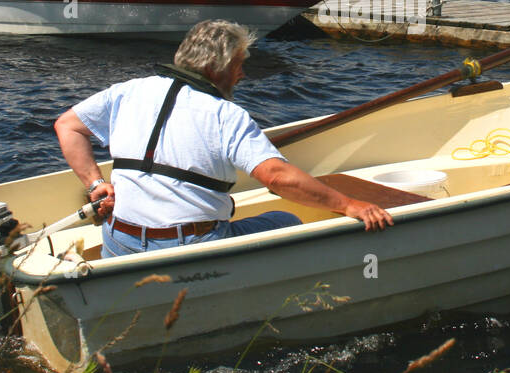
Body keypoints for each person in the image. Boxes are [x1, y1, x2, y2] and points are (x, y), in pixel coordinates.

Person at [54, 19, 393, 258]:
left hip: (118, 239)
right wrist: (348, 204)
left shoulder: (128, 91)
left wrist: (96, 185)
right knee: (286, 221)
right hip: (186, 250)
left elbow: (67, 126)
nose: (243, 73)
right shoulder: (225, 115)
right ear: (217, 68)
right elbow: (277, 178)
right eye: (239, 64)